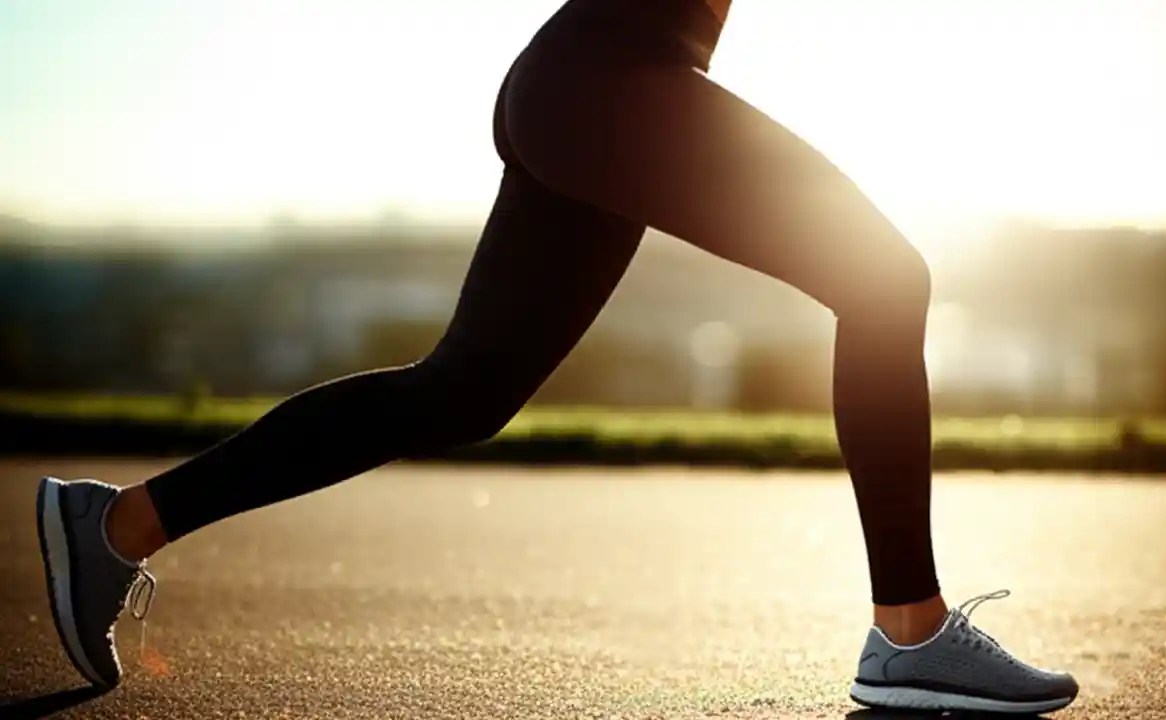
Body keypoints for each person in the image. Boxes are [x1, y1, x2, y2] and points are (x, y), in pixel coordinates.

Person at [35, 0, 1077, 713]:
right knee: (886, 281)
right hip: (608, 79)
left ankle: (116, 523)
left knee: (466, 390)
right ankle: (909, 633)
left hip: (585, 82)